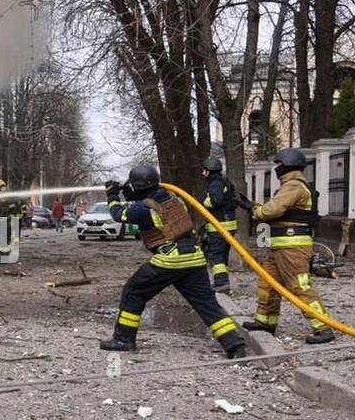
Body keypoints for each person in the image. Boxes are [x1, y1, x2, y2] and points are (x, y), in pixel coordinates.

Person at [99, 164, 246, 359]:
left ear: (137, 185)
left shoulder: (143, 209)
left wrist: (112, 196)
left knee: (133, 291)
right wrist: (129, 192)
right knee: (206, 303)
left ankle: (124, 339)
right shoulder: (172, 197)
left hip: (171, 259)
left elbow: (119, 215)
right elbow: (149, 201)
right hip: (193, 257)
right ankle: (234, 345)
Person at [241, 148, 335, 344]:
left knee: (299, 286)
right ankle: (265, 321)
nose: (276, 169)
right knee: (268, 284)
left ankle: (323, 327)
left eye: (277, 165)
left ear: (287, 165)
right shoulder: (290, 186)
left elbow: (272, 210)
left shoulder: (293, 185)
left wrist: (255, 210)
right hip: (279, 246)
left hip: (292, 248)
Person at [199, 155, 238, 293]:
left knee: (215, 255)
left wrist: (203, 201)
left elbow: (216, 201)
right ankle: (223, 281)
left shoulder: (215, 183)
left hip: (219, 227)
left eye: (204, 171)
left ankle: (221, 283)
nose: (203, 174)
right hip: (228, 226)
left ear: (209, 170)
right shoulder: (224, 181)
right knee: (222, 256)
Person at [0, 178, 23, 264]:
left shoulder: (9, 197)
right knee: (3, 239)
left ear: (2, 188)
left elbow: (13, 208)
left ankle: (5, 257)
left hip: (9, 221)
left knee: (7, 239)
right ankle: (4, 256)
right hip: (3, 220)